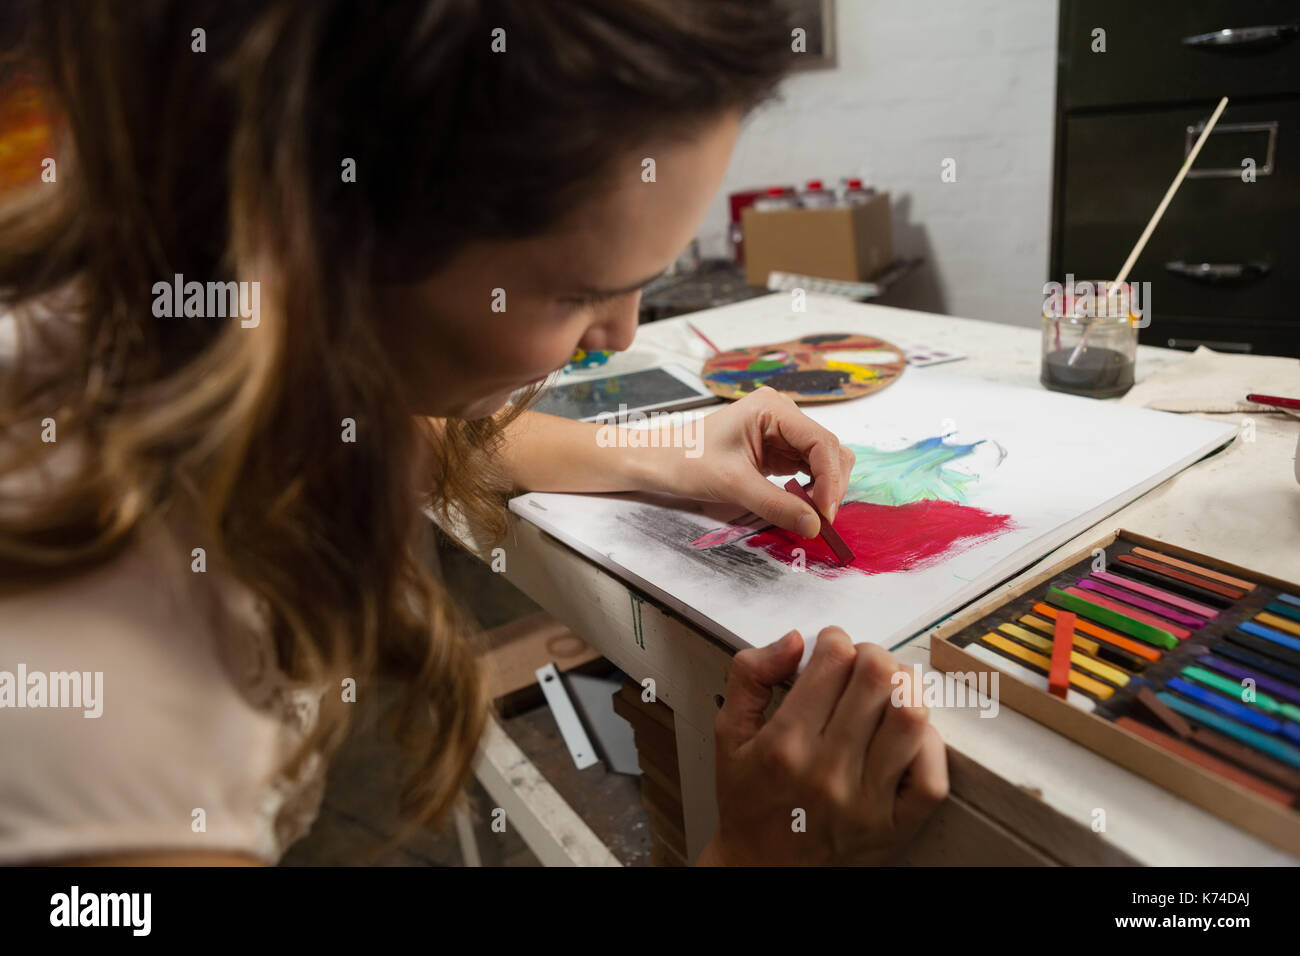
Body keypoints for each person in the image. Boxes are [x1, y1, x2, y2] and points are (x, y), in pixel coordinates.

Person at [0, 0, 946, 866]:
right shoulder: (120, 712)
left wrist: (667, 453)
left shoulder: (182, 314)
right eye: (580, 292)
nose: (621, 333)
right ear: (332, 233)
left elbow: (393, 425)